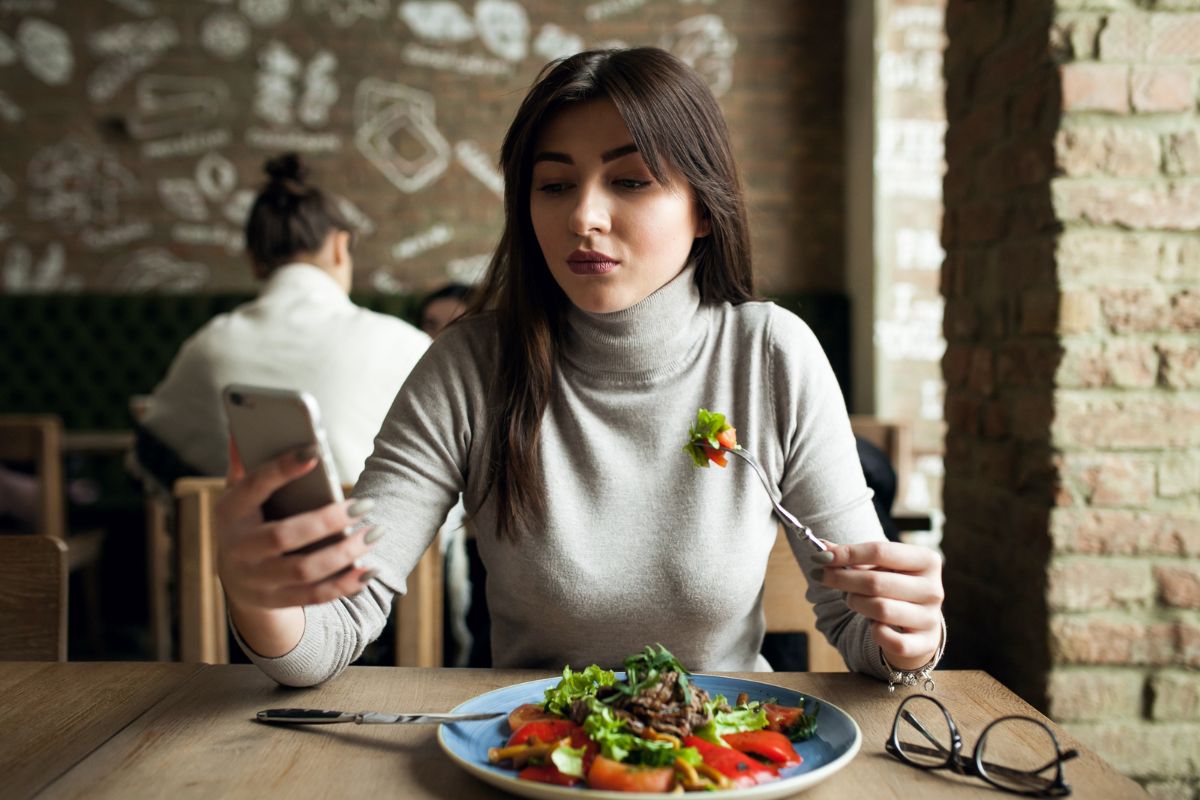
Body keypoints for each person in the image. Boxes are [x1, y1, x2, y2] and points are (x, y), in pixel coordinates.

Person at [215, 49, 945, 686]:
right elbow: (328, 637)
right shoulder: (470, 366)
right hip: (528, 761)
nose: (582, 217)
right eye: (555, 185)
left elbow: (866, 639)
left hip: (725, 765)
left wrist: (910, 635)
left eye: (630, 181)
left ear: (704, 210)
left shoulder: (771, 353)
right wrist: (258, 596)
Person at [138, 153, 430, 485]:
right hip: (376, 534)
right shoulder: (407, 345)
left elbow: (147, 458)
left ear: (254, 261)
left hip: (234, 535)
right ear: (340, 246)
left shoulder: (209, 345)